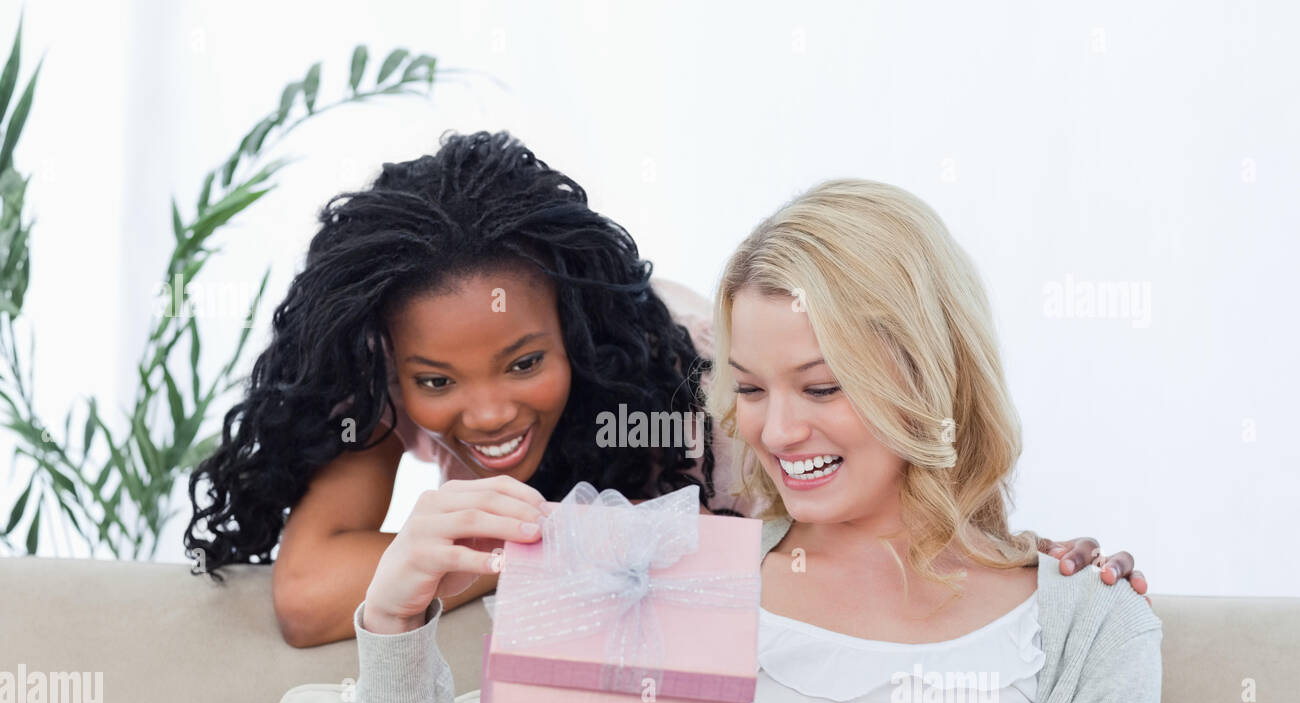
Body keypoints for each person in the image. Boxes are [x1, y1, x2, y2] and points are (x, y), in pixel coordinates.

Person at [347, 178, 1162, 703]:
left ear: (930, 376)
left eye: (820, 387)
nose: (776, 433)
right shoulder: (662, 573)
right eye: (750, 387)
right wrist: (391, 627)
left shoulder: (1091, 617)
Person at [185, 132, 1140, 649]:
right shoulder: (388, 374)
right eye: (436, 381)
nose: (484, 413)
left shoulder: (700, 381)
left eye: (525, 363)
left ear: (578, 334)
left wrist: (1018, 563)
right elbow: (310, 597)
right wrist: (568, 542)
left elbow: (858, 482)